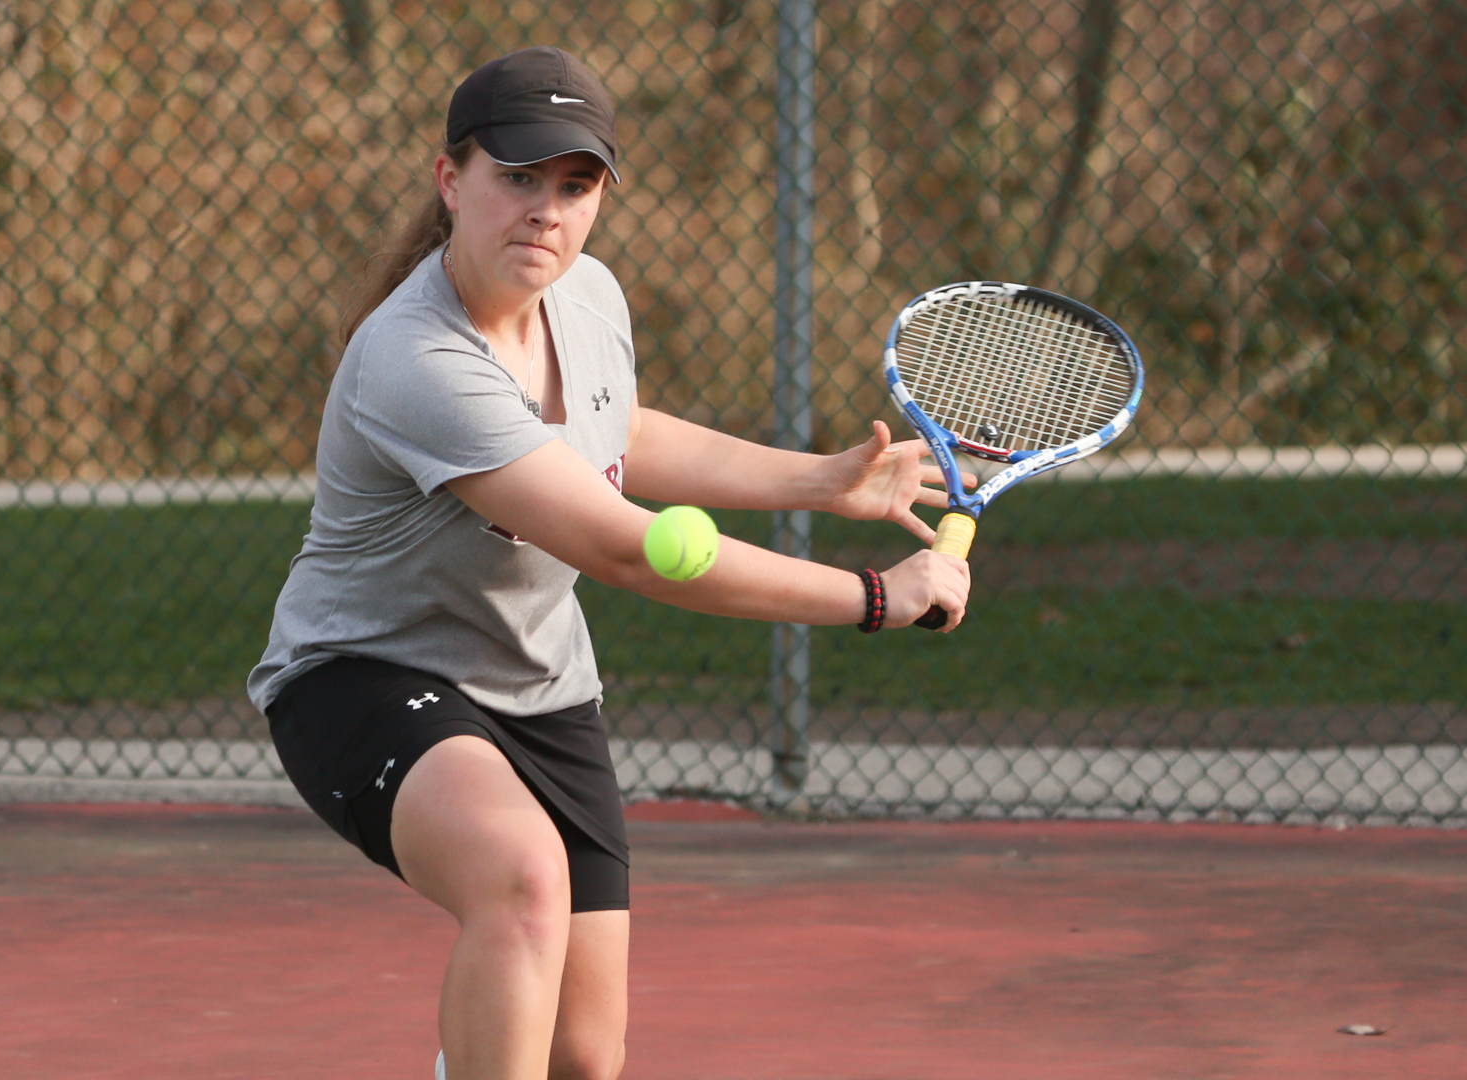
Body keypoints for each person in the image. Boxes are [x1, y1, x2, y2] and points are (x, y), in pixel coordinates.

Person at [247, 46, 971, 1080]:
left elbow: (617, 427)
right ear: (451, 181)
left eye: (575, 186)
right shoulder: (416, 361)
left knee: (584, 1056)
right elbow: (624, 549)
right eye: (518, 177)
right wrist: (870, 597)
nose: (546, 210)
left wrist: (821, 481)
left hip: (541, 685)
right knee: (521, 879)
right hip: (365, 675)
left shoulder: (588, 297)